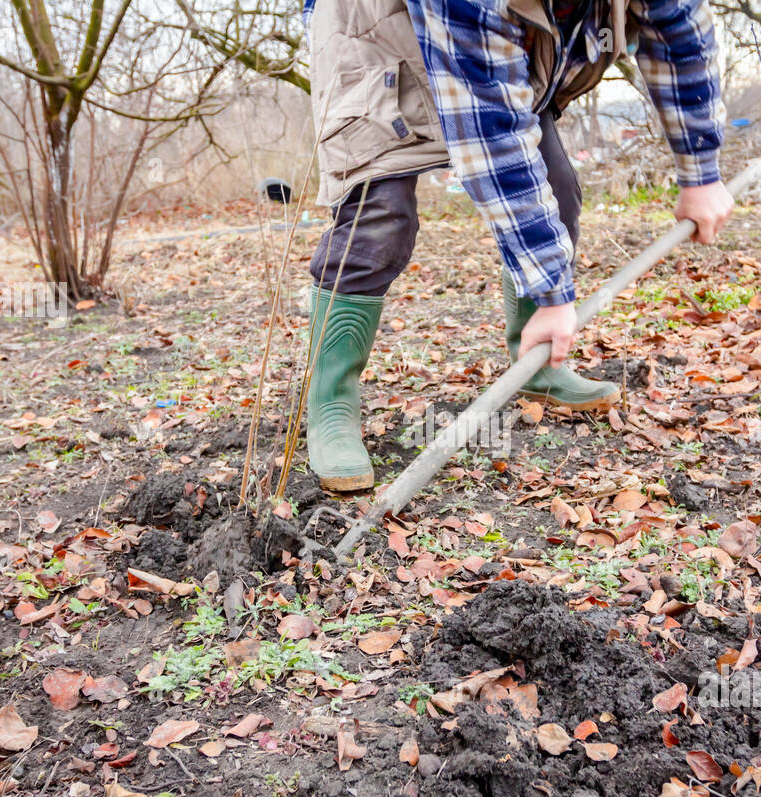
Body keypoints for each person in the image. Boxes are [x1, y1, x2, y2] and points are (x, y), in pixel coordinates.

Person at [302, 0, 733, 490]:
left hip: (501, 39)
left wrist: (700, 173)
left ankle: (535, 363)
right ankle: (330, 400)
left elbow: (680, 32)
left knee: (557, 187)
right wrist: (553, 291)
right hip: (374, 32)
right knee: (381, 217)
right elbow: (493, 134)